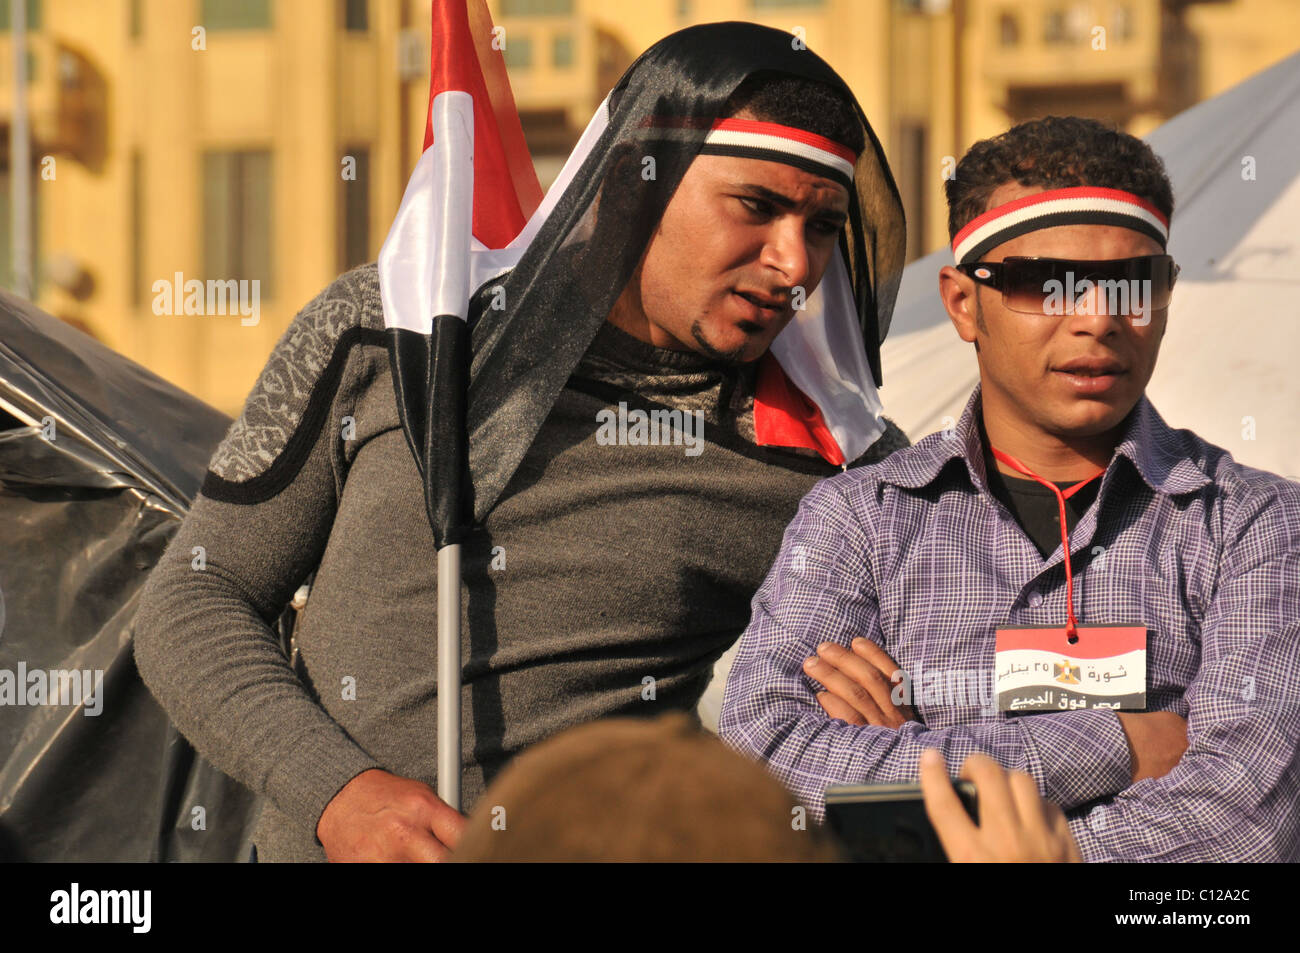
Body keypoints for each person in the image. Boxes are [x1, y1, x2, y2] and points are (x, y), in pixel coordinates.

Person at [132, 22, 911, 863]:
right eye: (756, 207)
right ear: (631, 183)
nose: (794, 262)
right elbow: (192, 604)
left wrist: (884, 735)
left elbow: (923, 698)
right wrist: (339, 794)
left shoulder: (836, 461)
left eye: (823, 224)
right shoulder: (392, 331)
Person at [719, 116, 1300, 862]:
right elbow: (763, 759)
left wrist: (926, 778)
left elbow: (1245, 827)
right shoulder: (859, 520)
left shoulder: (1255, 526)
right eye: (1046, 285)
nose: (1096, 320)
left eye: (1133, 283)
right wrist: (1123, 743)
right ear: (963, 303)